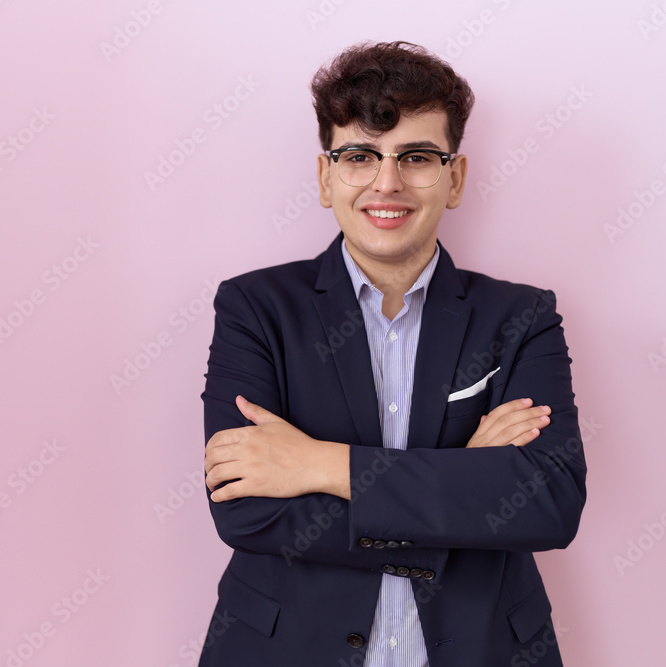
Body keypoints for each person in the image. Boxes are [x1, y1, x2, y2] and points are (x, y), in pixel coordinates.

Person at [197, 41, 586, 667]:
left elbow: (549, 503)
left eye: (417, 156)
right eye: (359, 156)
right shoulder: (255, 308)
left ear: (454, 178)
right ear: (326, 177)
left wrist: (322, 465)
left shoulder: (522, 317)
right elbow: (246, 511)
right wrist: (466, 484)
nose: (387, 182)